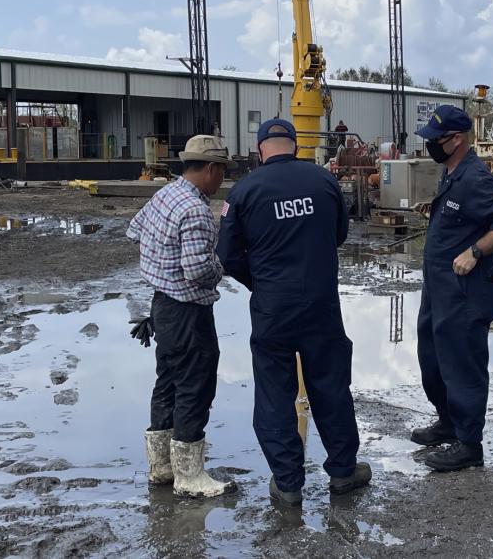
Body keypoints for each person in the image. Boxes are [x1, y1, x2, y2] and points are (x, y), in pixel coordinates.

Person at [216, 119, 370, 508]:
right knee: (331, 386)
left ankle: (288, 484)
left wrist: (263, 283)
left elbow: (228, 257)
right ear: (296, 145)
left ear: (260, 148)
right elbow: (338, 235)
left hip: (272, 310)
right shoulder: (323, 181)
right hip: (321, 304)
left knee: (274, 393)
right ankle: (342, 472)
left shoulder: (244, 191)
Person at [411, 105, 493, 472]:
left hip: (464, 291)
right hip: (439, 288)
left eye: (435, 140)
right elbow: (465, 216)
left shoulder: (474, 177)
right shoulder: (451, 174)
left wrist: (475, 252)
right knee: (433, 358)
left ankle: (469, 444)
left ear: (456, 140)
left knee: (463, 365)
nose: (429, 145)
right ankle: (448, 422)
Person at [127, 134, 237, 497]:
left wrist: (160, 261)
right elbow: (196, 269)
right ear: (210, 168)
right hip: (189, 310)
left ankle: (161, 468)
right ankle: (190, 477)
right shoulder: (197, 211)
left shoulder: (165, 194)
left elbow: (134, 230)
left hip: (162, 305)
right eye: (222, 171)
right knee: (195, 385)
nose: (222, 179)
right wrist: (219, 266)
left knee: (168, 382)